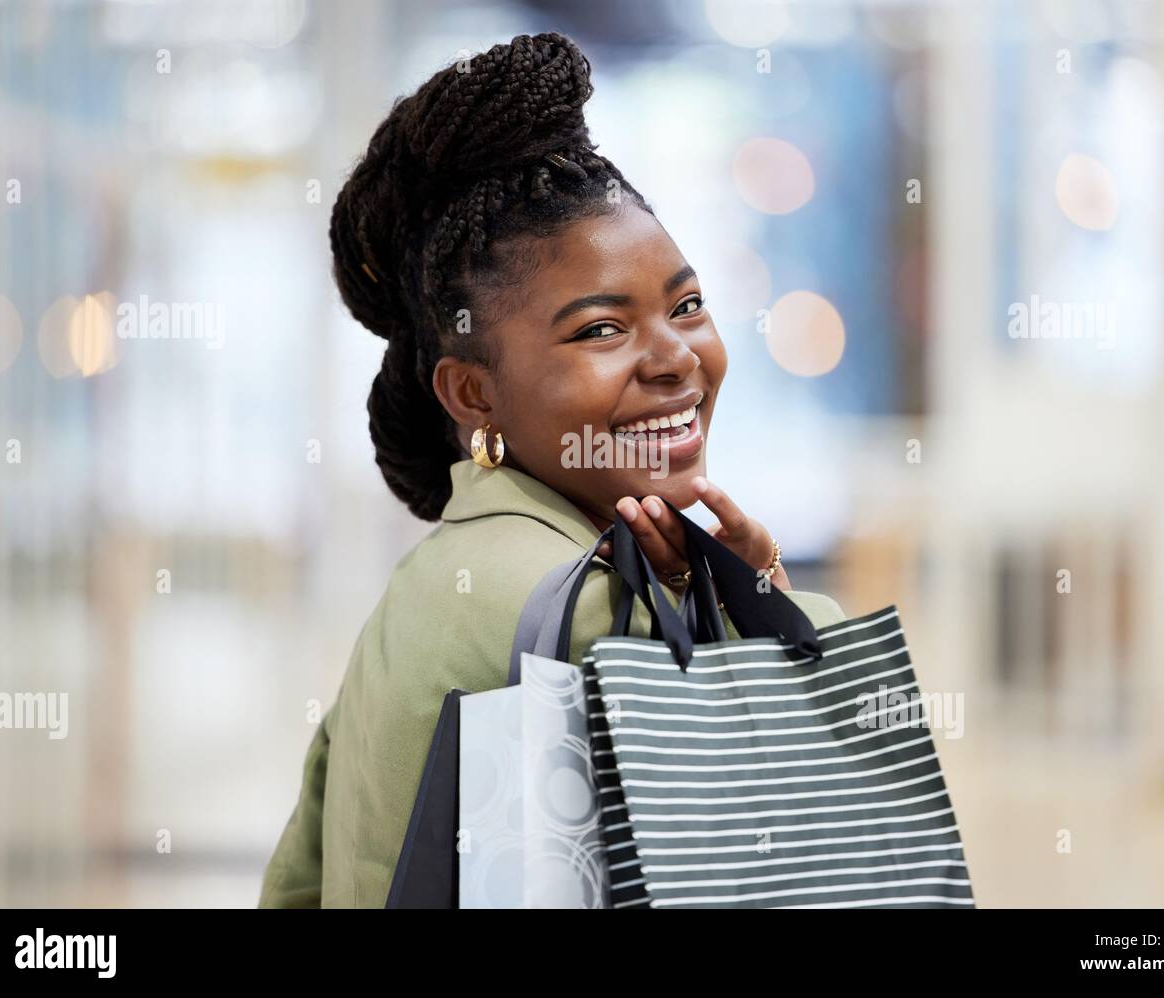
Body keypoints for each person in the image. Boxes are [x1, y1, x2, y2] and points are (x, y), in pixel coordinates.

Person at [258, 31, 846, 908]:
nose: (676, 359)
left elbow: (299, 883)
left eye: (686, 305)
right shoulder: (579, 599)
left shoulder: (433, 582)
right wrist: (762, 596)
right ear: (473, 393)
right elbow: (839, 761)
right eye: (600, 330)